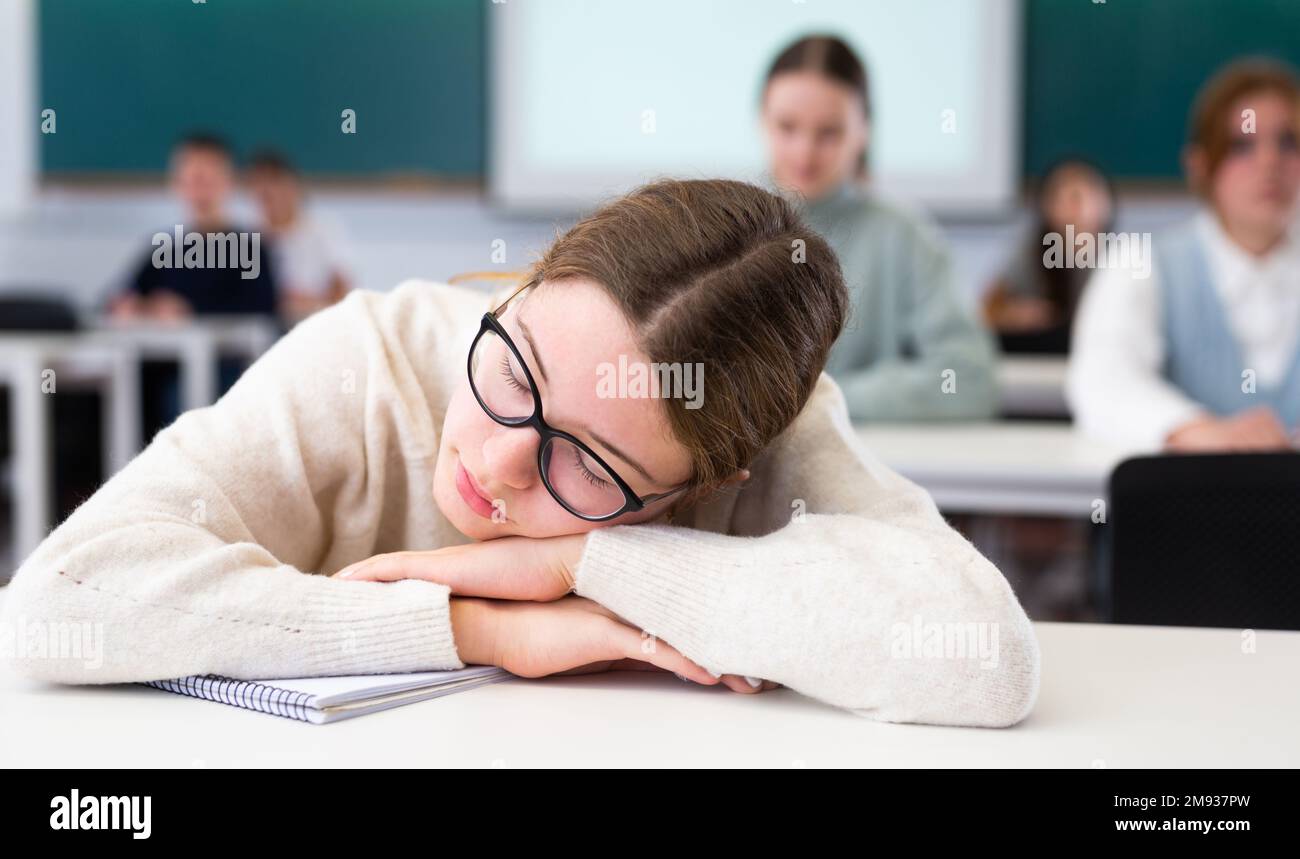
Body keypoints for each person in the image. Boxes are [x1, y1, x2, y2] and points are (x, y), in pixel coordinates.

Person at [3, 180, 1038, 728]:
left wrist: (581, 563)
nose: (496, 461)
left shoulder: (769, 428)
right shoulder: (372, 353)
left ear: (707, 480)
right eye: (515, 364)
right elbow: (58, 602)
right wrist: (473, 625)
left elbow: (981, 658)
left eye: (586, 466)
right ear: (523, 282)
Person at [759, 35, 999, 421]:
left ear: (863, 130)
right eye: (787, 127)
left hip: (858, 466)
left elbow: (969, 379)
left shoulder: (904, 235)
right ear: (761, 121)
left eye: (829, 132)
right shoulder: (723, 228)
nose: (804, 152)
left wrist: (823, 403)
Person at [1068, 59, 1300, 451]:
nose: (1269, 163)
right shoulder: (1142, 262)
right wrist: (1199, 430)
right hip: (1188, 502)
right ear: (1201, 165)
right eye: (1242, 145)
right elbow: (1103, 380)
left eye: (1288, 142)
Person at [106, 133, 280, 437]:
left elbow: (262, 306)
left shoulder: (249, 247)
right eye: (190, 179)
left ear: (228, 183)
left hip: (220, 368)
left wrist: (190, 311)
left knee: (181, 397)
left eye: (207, 179)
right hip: (158, 366)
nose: (198, 189)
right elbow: (120, 296)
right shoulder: (166, 248)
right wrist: (133, 305)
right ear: (177, 185)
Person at [983, 158, 1116, 354]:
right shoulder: (1032, 255)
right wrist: (1014, 316)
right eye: (1064, 198)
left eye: (1080, 198)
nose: (1075, 210)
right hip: (1042, 366)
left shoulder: (1119, 258)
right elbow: (987, 311)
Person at [248, 150, 354, 327]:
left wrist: (313, 301)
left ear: (293, 186)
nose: (267, 193)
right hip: (267, 329)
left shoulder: (323, 229)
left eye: (274, 183)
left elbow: (342, 285)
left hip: (318, 322)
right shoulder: (248, 236)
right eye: (258, 186)